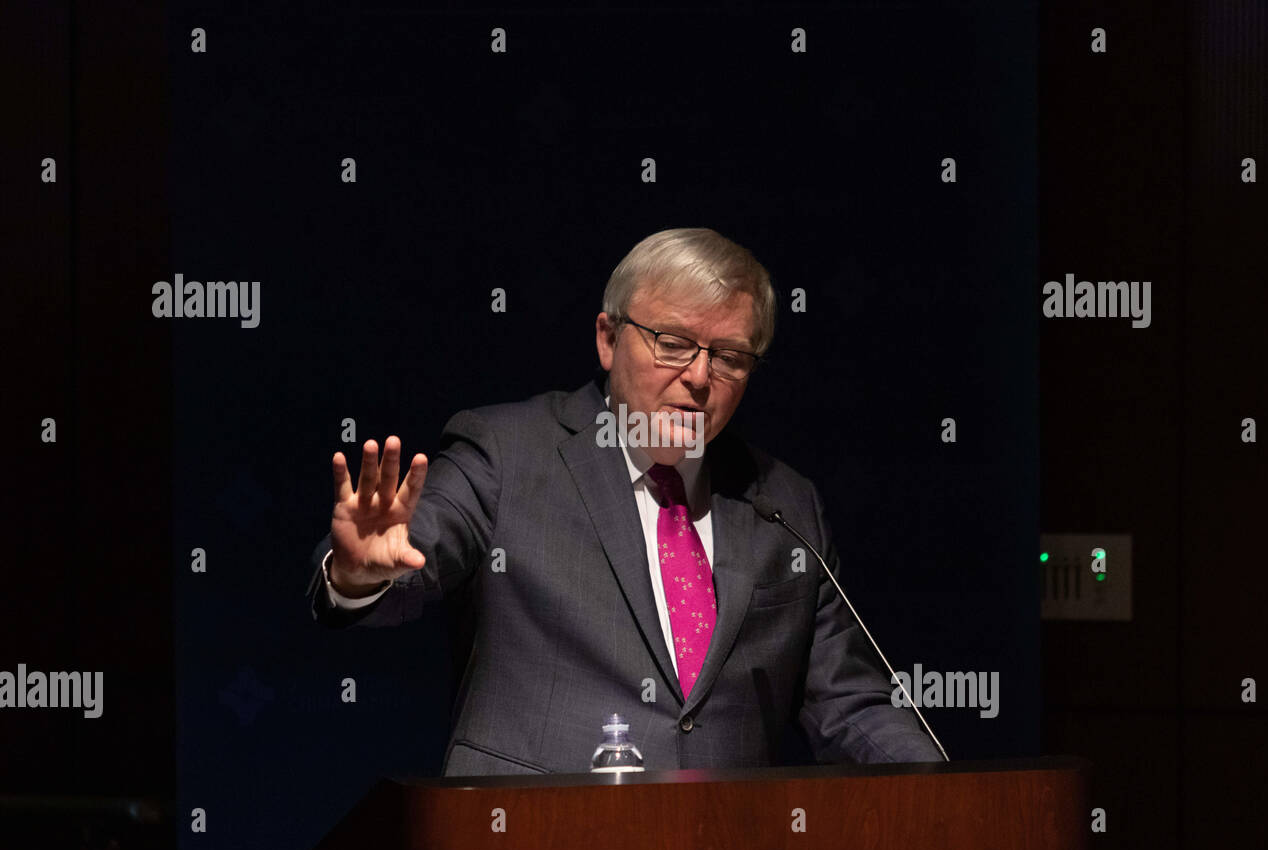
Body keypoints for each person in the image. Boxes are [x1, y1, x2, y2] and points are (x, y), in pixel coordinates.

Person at [306, 227, 943, 775]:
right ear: (608, 339)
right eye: (672, 343)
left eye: (729, 358)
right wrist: (361, 574)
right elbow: (413, 561)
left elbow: (850, 703)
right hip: (530, 843)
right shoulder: (508, 452)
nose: (698, 377)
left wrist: (953, 798)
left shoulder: (783, 504)